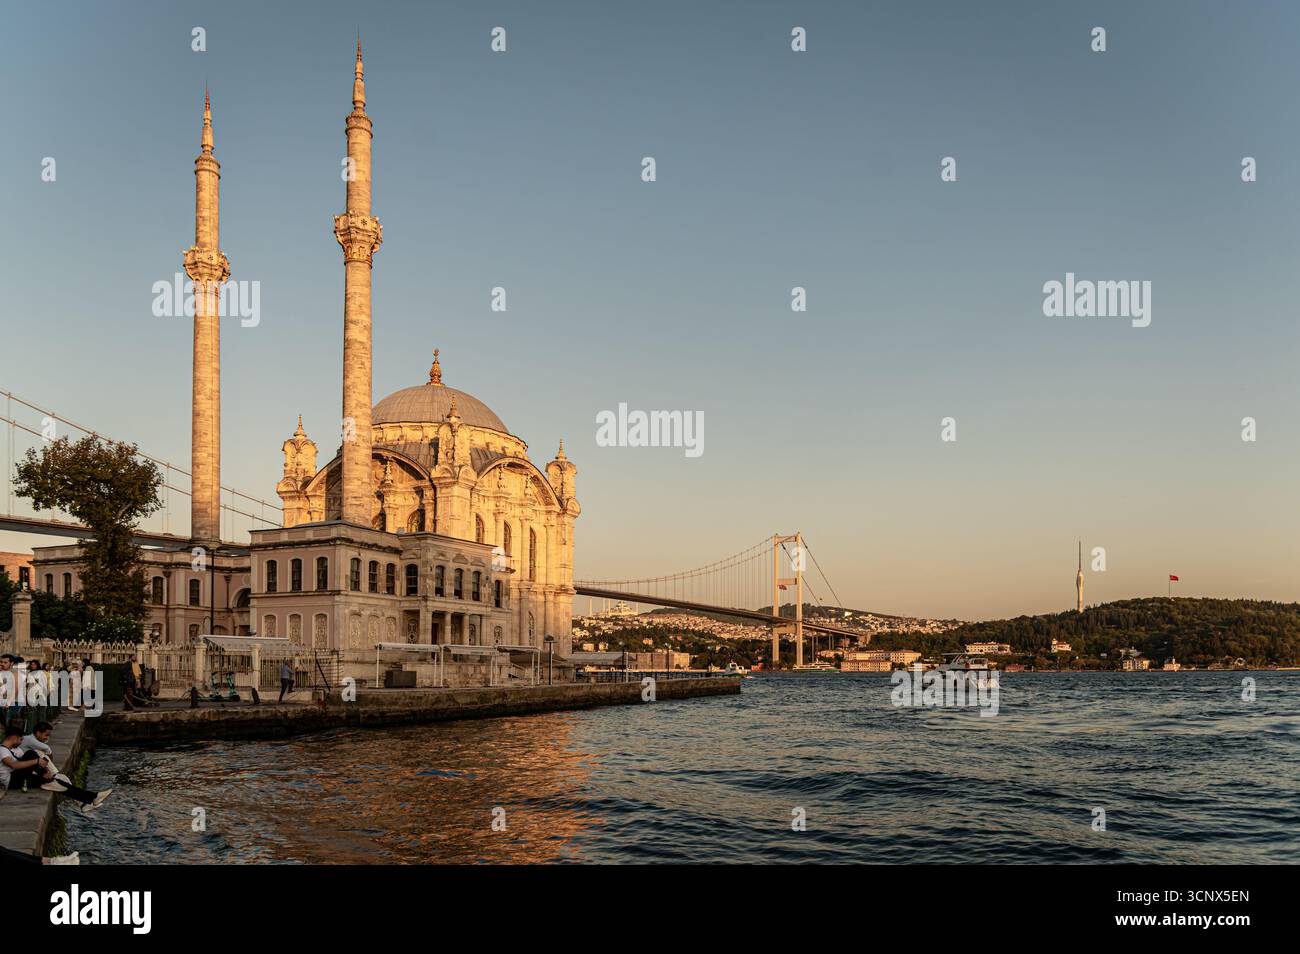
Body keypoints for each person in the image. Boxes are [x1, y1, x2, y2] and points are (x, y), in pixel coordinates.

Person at [0, 727, 111, 813]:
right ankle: (90, 799)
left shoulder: (16, 749)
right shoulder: (2, 751)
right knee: (34, 758)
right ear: (13, 738)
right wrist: (37, 762)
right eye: (20, 739)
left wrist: (44, 769)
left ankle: (89, 799)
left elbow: (28, 763)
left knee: (56, 780)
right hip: (12, 781)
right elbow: (14, 765)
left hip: (21, 777)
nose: (21, 742)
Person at [0, 655, 19, 728]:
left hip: (10, 703)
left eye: (5, 662)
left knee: (7, 724)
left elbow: (16, 689)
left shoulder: (15, 673)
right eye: (1, 662)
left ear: (11, 663)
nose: (2, 664)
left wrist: (8, 703)